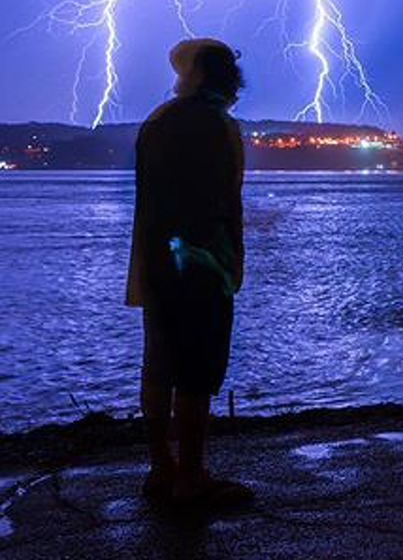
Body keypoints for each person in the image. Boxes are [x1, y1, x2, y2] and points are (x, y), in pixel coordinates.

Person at [127, 38, 253, 508]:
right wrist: (233, 261)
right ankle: (191, 476)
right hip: (203, 265)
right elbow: (227, 200)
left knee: (159, 365)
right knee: (197, 371)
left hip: (156, 261)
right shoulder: (221, 127)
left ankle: (161, 468)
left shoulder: (155, 122)